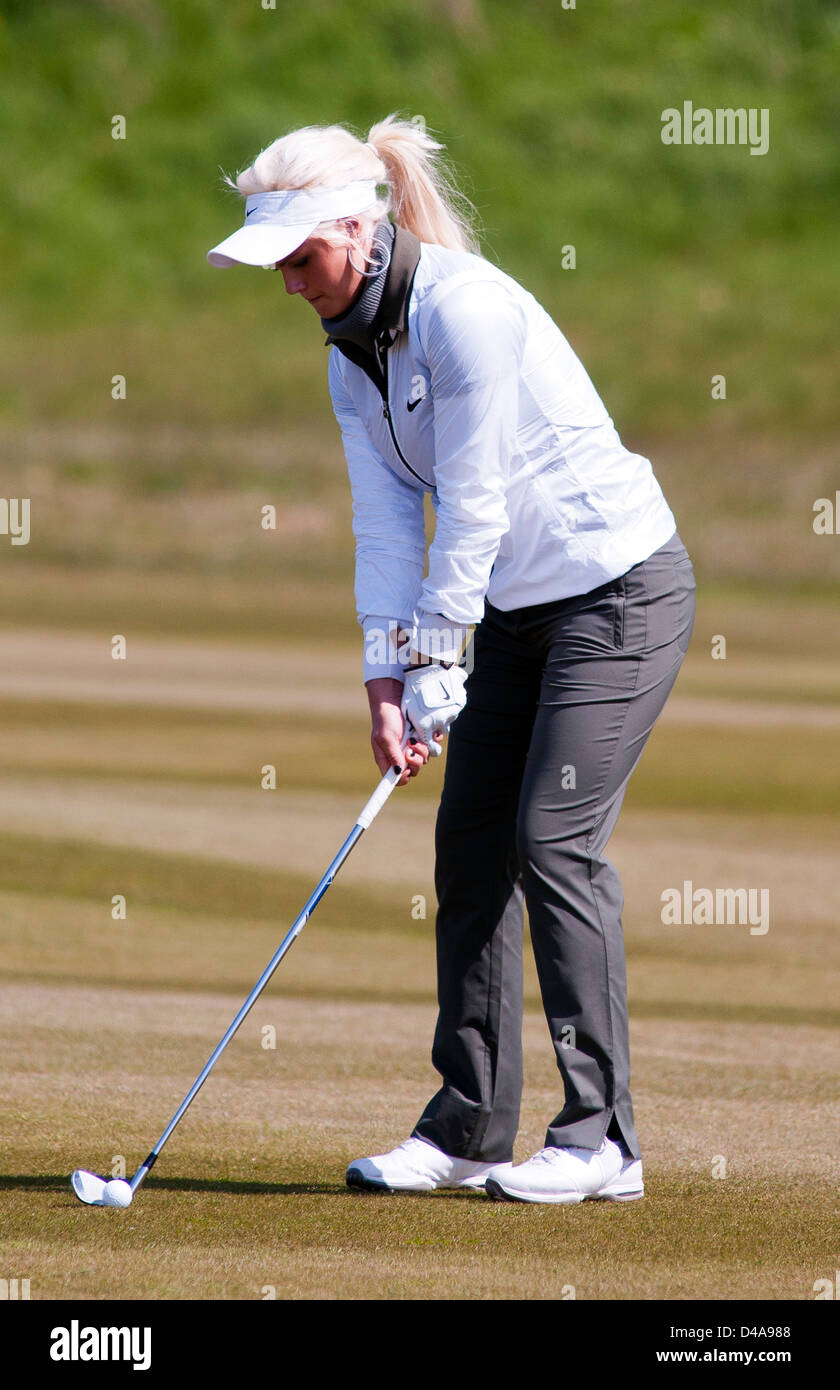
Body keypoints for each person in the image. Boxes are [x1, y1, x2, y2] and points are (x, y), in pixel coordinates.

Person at [207, 114, 696, 1205]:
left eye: (300, 257)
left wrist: (438, 656)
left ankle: (601, 1139)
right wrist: (387, 681)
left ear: (356, 228)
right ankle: (470, 1122)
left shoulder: (465, 311)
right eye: (274, 264)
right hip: (516, 610)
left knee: (550, 842)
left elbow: (472, 507)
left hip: (614, 592)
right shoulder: (351, 351)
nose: (288, 281)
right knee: (471, 847)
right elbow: (385, 527)